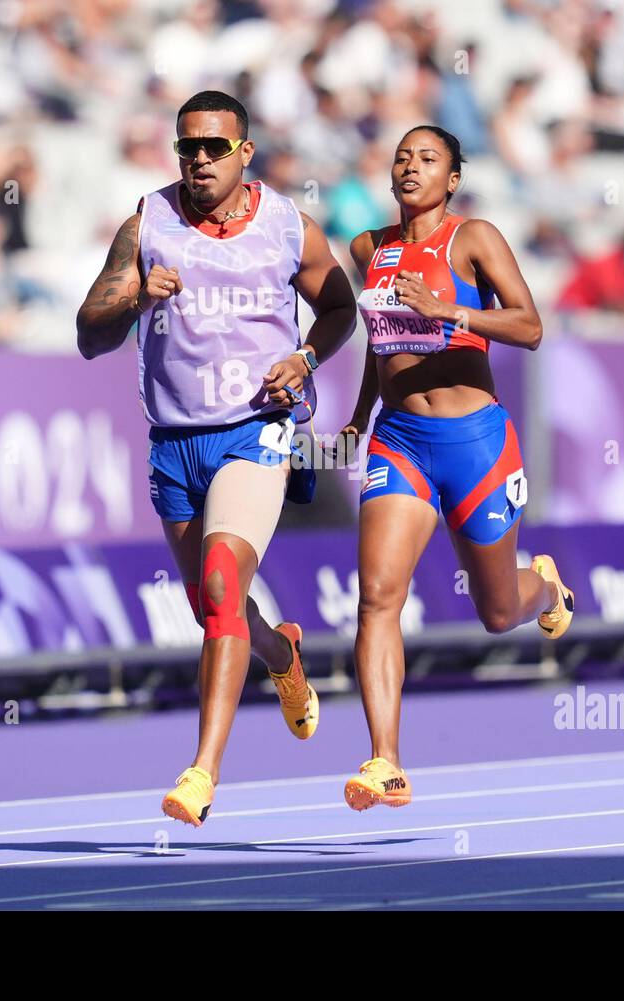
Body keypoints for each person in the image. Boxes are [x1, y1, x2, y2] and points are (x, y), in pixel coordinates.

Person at [76, 91, 356, 827]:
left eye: (214, 147)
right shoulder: (147, 223)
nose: (199, 160)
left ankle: (202, 771)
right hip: (175, 444)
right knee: (215, 608)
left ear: (245, 152)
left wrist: (304, 357)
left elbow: (340, 309)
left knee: (223, 588)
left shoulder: (287, 226)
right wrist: (135, 298)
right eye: (188, 147)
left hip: (255, 431)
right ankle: (281, 653)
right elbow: (88, 335)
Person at [334, 125, 574, 811]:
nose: (411, 167)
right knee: (378, 596)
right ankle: (386, 761)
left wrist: (451, 312)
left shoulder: (474, 239)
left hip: (476, 443)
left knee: (497, 612)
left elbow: (530, 327)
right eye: (402, 158)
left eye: (428, 158)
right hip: (400, 441)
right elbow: (381, 345)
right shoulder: (369, 249)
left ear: (453, 178)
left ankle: (545, 589)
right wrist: (358, 416)